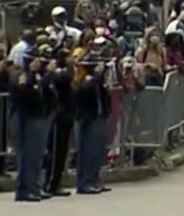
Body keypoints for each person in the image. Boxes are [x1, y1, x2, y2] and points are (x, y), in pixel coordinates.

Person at [11, 48, 51, 202]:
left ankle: (34, 187)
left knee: (36, 156)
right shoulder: (23, 76)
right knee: (28, 156)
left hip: (37, 117)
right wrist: (33, 77)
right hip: (27, 118)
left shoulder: (36, 77)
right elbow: (24, 92)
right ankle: (25, 189)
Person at [73, 58, 112, 195]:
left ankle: (95, 179)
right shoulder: (86, 81)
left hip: (99, 117)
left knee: (97, 152)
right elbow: (82, 93)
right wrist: (96, 77)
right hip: (88, 120)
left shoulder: (99, 83)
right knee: (87, 151)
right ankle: (85, 182)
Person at [43, 46, 74, 197]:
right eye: (67, 56)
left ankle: (57, 182)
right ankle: (50, 183)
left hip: (67, 114)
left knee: (62, 151)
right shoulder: (56, 73)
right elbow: (64, 78)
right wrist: (67, 66)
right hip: (57, 114)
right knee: (54, 152)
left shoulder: (65, 71)